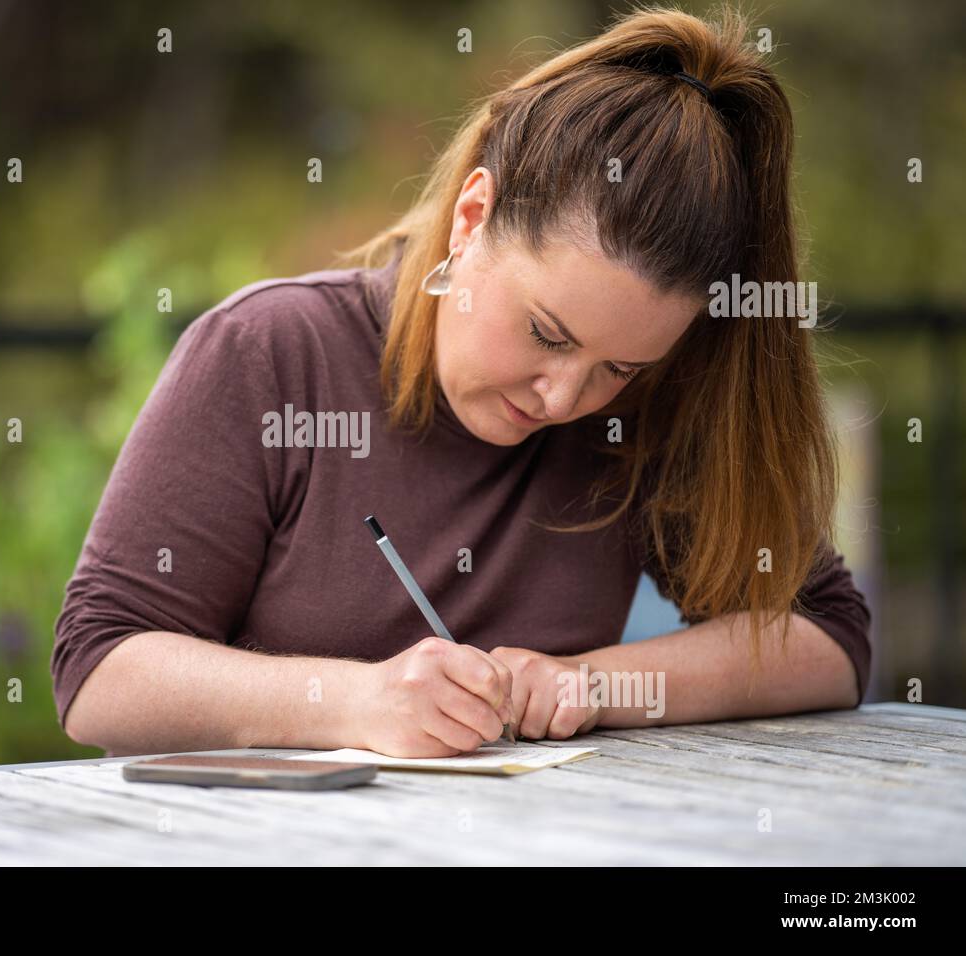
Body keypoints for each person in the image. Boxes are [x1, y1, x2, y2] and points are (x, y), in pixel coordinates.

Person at [51, 6, 872, 758]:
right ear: (472, 216)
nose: (565, 400)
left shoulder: (643, 413)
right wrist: (353, 702)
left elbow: (825, 637)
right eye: (546, 334)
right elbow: (98, 673)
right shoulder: (271, 355)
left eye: (619, 369)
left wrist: (594, 682)